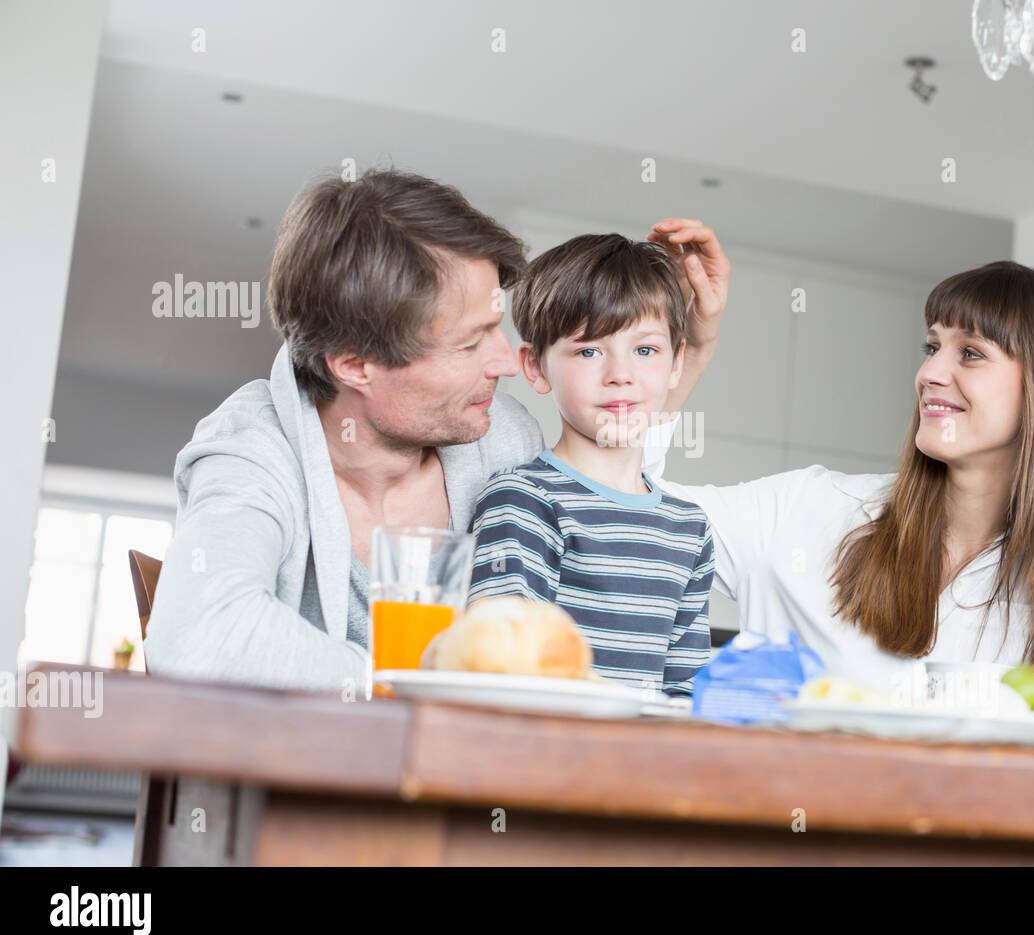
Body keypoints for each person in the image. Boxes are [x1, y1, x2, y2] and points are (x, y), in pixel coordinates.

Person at [143, 167, 730, 692]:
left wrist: (690, 349)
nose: (504, 362)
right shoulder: (254, 450)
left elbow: (614, 470)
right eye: (471, 342)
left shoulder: (500, 435)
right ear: (355, 364)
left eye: (495, 327)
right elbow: (201, 633)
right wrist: (414, 694)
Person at [646, 260, 1034, 729]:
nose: (929, 372)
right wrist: (687, 355)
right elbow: (638, 509)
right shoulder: (807, 508)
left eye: (970, 353)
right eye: (932, 346)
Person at [468, 235, 715, 696]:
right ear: (536, 368)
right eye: (589, 351)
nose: (620, 373)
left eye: (645, 350)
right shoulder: (524, 501)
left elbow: (684, 693)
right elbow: (501, 668)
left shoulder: (689, 527)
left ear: (677, 363)